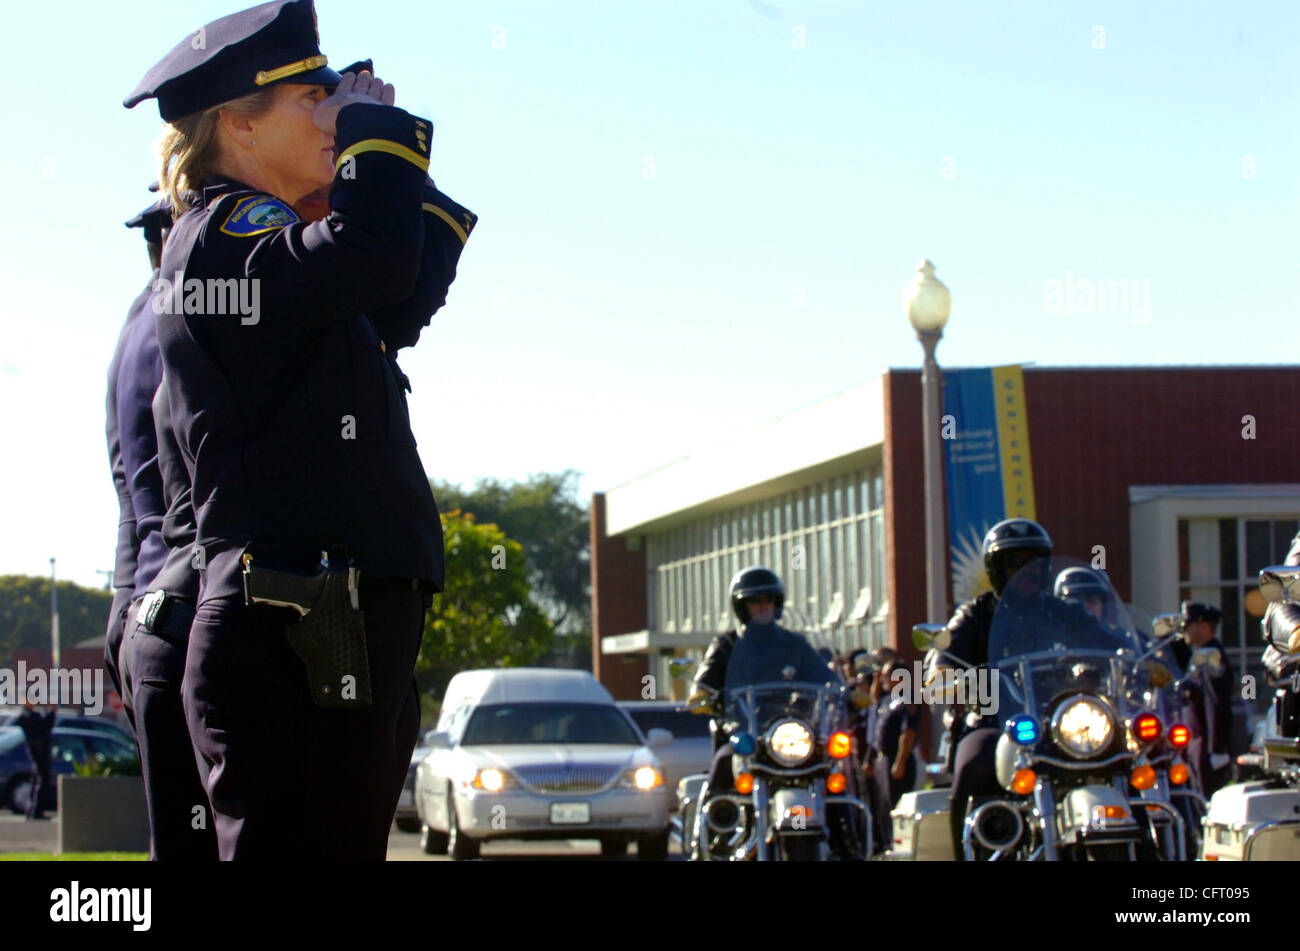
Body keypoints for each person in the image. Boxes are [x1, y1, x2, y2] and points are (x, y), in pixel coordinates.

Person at [124, 0, 475, 860]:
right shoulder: (222, 239)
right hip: (291, 633)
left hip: (329, 627)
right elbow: (368, 255)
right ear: (238, 124)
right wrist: (371, 135)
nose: (330, 108)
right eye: (309, 94)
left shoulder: (283, 248)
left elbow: (402, 285)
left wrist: (384, 144)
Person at [1174, 601, 1233, 799]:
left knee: (1208, 799)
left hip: (1207, 745)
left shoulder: (1211, 657)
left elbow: (1215, 702)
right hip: (1196, 743)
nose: (1185, 631)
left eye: (1188, 625)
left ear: (1204, 627)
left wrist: (1217, 748)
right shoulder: (1198, 655)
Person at [869, 653, 919, 852]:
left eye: (887, 675)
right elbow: (874, 699)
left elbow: (908, 733)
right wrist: (876, 679)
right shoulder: (887, 699)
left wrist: (900, 762)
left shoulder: (908, 699)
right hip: (882, 760)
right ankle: (887, 847)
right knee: (882, 809)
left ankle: (900, 849)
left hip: (898, 760)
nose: (883, 680)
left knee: (895, 808)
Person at [16, 702, 57, 820]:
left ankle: (32, 810)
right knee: (42, 779)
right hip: (38, 750)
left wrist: (51, 713)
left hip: (38, 750)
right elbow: (43, 728)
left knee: (37, 780)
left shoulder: (31, 715)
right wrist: (51, 713)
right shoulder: (26, 716)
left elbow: (44, 727)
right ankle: (36, 811)